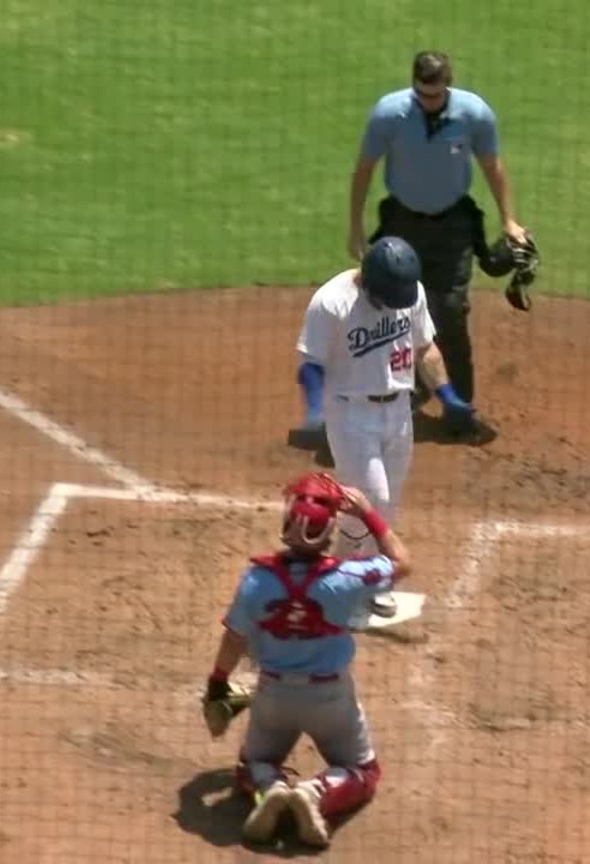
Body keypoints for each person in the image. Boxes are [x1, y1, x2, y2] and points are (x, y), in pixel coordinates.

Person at [201, 472, 412, 848]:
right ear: (330, 530)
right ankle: (315, 792)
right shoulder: (348, 577)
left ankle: (269, 785)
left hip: (272, 697)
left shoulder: (256, 581)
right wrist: (367, 512)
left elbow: (233, 638)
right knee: (364, 770)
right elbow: (401, 561)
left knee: (251, 766)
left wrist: (217, 683)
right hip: (330, 699)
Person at [293, 235, 475, 620]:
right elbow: (311, 363)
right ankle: (333, 583)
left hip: (399, 412)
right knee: (370, 498)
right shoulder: (332, 302)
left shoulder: (410, 292)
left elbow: (426, 348)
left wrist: (447, 395)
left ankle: (371, 582)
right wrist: (313, 408)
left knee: (387, 504)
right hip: (351, 414)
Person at [347, 50, 528, 437]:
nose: (429, 101)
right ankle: (401, 392)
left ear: (448, 83)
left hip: (453, 225)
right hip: (402, 222)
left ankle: (459, 411)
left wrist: (509, 219)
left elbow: (492, 166)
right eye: (422, 94)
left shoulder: (473, 114)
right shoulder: (389, 113)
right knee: (393, 308)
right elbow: (364, 168)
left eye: (435, 94)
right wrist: (355, 229)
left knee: (449, 311)